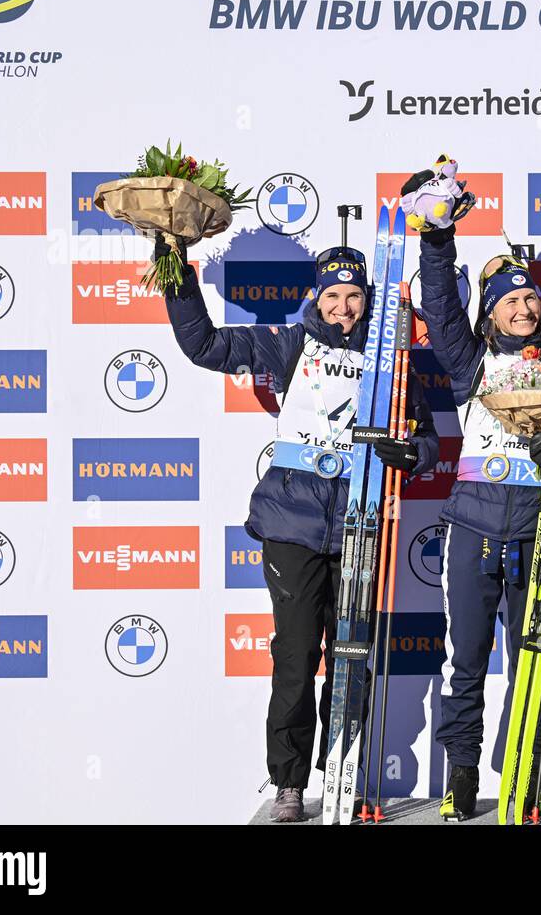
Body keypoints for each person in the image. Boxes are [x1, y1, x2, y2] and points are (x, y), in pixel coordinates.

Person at [163, 239, 439, 822]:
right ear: (316, 296)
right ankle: (289, 783)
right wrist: (177, 276)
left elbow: (428, 443)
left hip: (362, 522)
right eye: (334, 295)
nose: (344, 308)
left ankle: (342, 773)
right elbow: (207, 346)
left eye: (355, 297)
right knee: (294, 656)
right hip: (292, 523)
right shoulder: (292, 342)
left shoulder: (395, 360)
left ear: (370, 300)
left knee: (351, 654)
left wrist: (407, 452)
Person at [403, 163, 541, 821]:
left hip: (540, 526)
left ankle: (529, 768)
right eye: (508, 301)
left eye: (530, 299)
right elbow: (439, 306)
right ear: (491, 311)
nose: (524, 308)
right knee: (464, 663)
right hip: (471, 529)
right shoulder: (472, 364)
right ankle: (461, 775)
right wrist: (438, 237)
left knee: (537, 666)